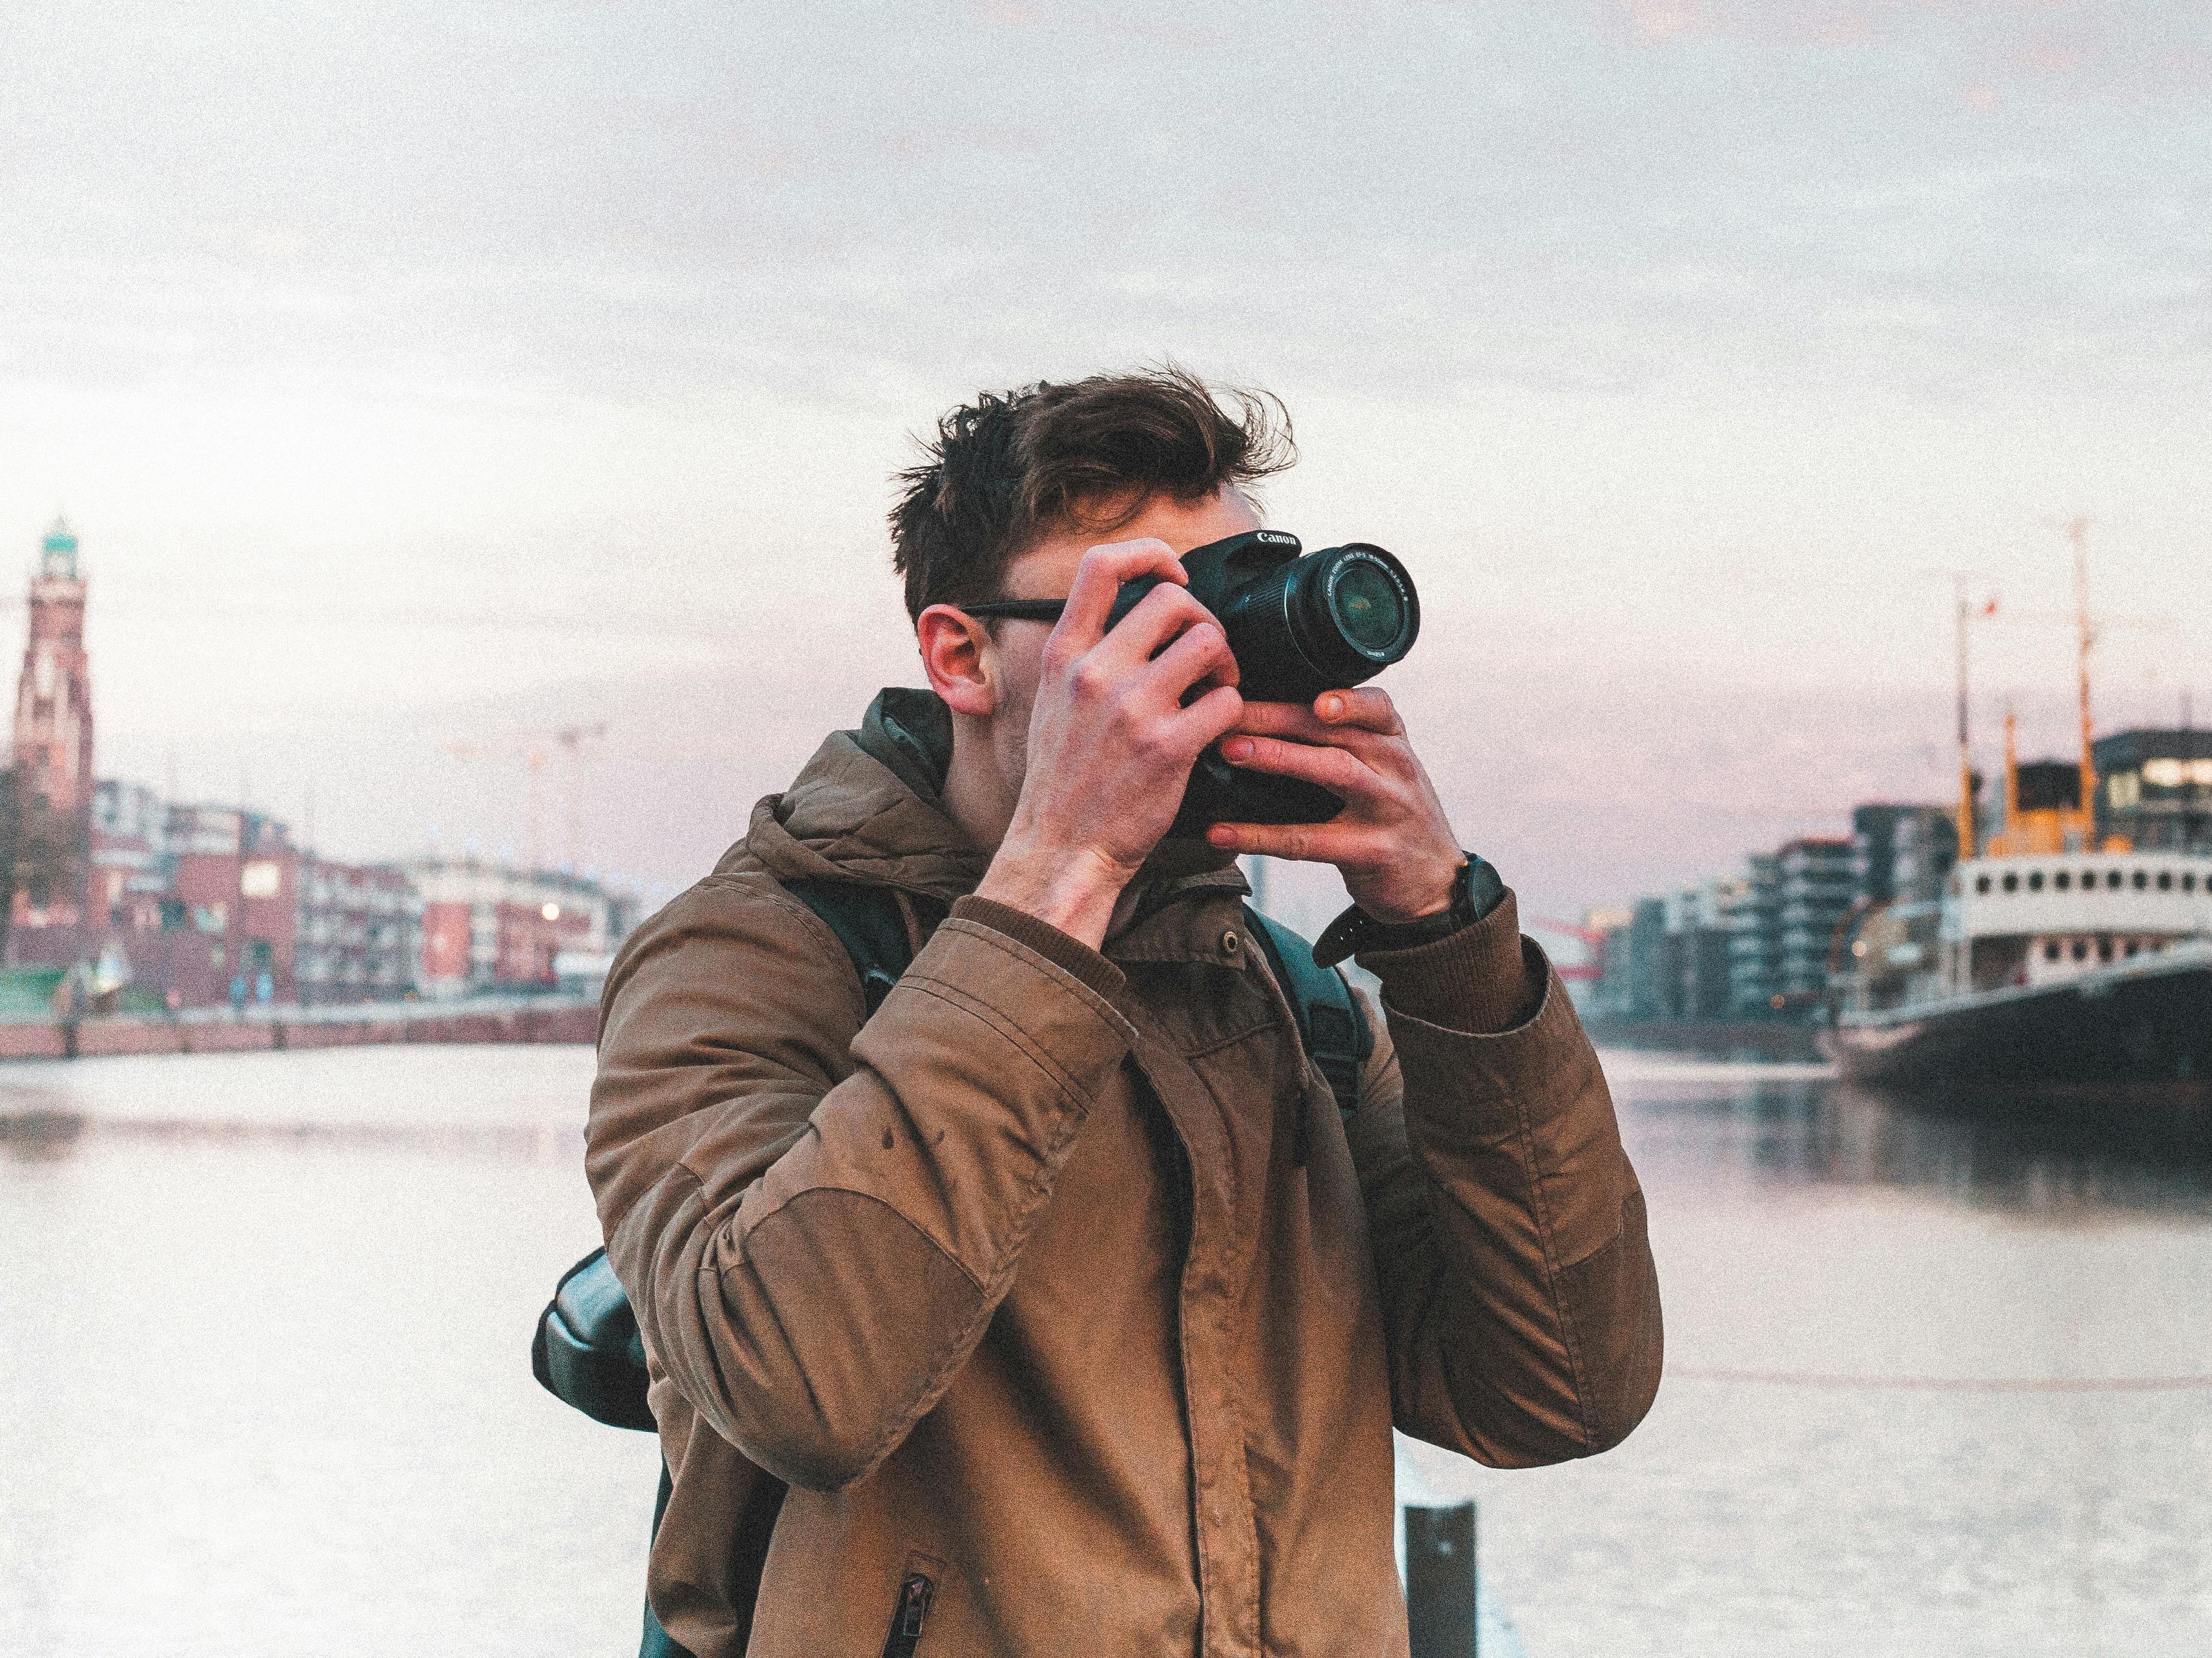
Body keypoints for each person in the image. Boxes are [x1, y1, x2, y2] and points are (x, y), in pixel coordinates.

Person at [586, 368, 1663, 1657]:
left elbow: (1561, 1394)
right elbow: (803, 1384)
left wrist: (1446, 945)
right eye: (1150, 619)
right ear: (961, 654)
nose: (1208, 665)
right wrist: (1062, 872)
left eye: (1235, 606)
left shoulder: (1284, 995)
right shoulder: (751, 953)